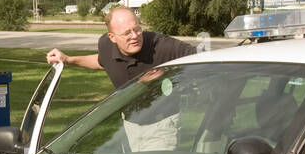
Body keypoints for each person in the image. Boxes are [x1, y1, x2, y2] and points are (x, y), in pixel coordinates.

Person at [45, 6, 195, 91]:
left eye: (137, 29)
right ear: (112, 37)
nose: (135, 36)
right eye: (127, 33)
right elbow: (101, 61)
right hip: (128, 122)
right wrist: (68, 59)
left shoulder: (162, 46)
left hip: (162, 122)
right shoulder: (106, 45)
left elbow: (203, 59)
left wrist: (172, 75)